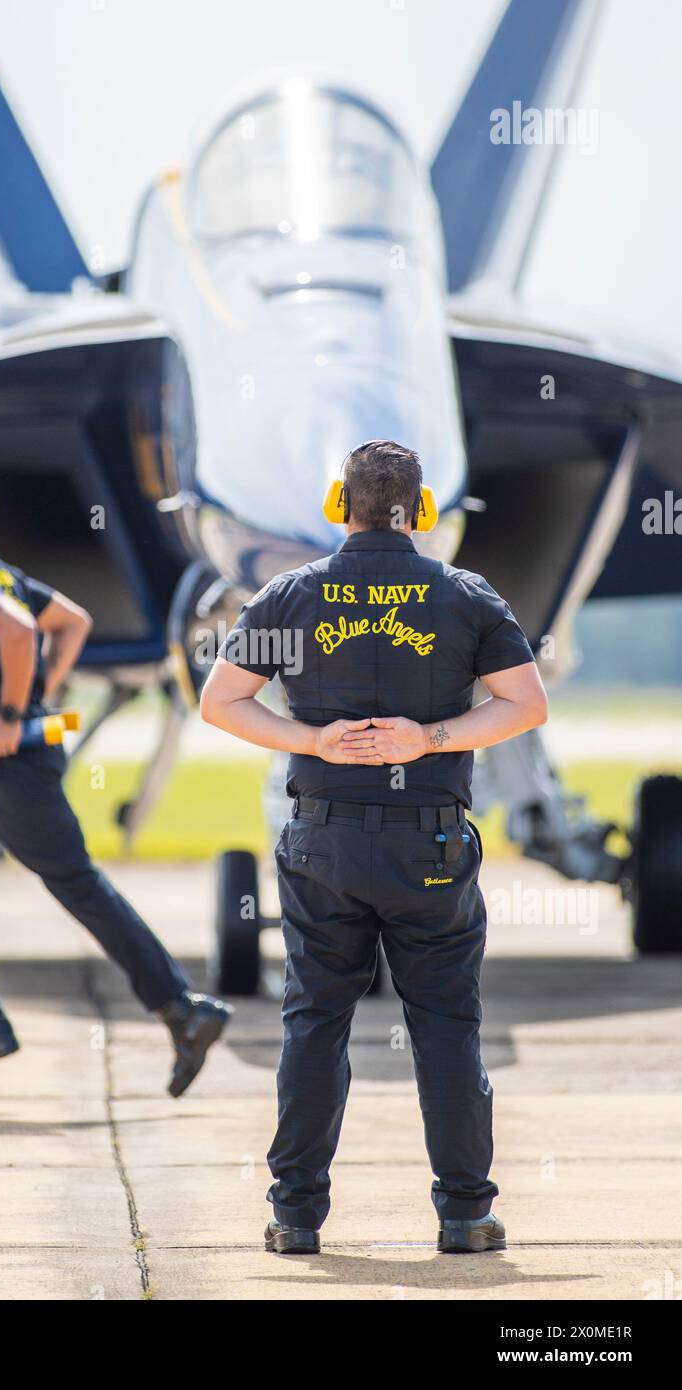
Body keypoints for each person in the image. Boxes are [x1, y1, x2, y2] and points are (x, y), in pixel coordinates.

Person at [200, 439, 548, 1255]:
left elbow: (222, 703)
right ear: (421, 511)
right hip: (430, 849)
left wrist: (313, 742)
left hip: (323, 846)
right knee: (447, 1028)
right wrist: (428, 738)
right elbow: (524, 705)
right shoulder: (464, 596)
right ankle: (465, 1215)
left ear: (337, 505)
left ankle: (295, 1217)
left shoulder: (290, 597)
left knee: (314, 1022)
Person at [0, 469, 231, 1094]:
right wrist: (36, 699)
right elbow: (72, 622)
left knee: (78, 885)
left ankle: (183, 1011)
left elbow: (22, 631)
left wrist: (9, 714)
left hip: (9, 764)